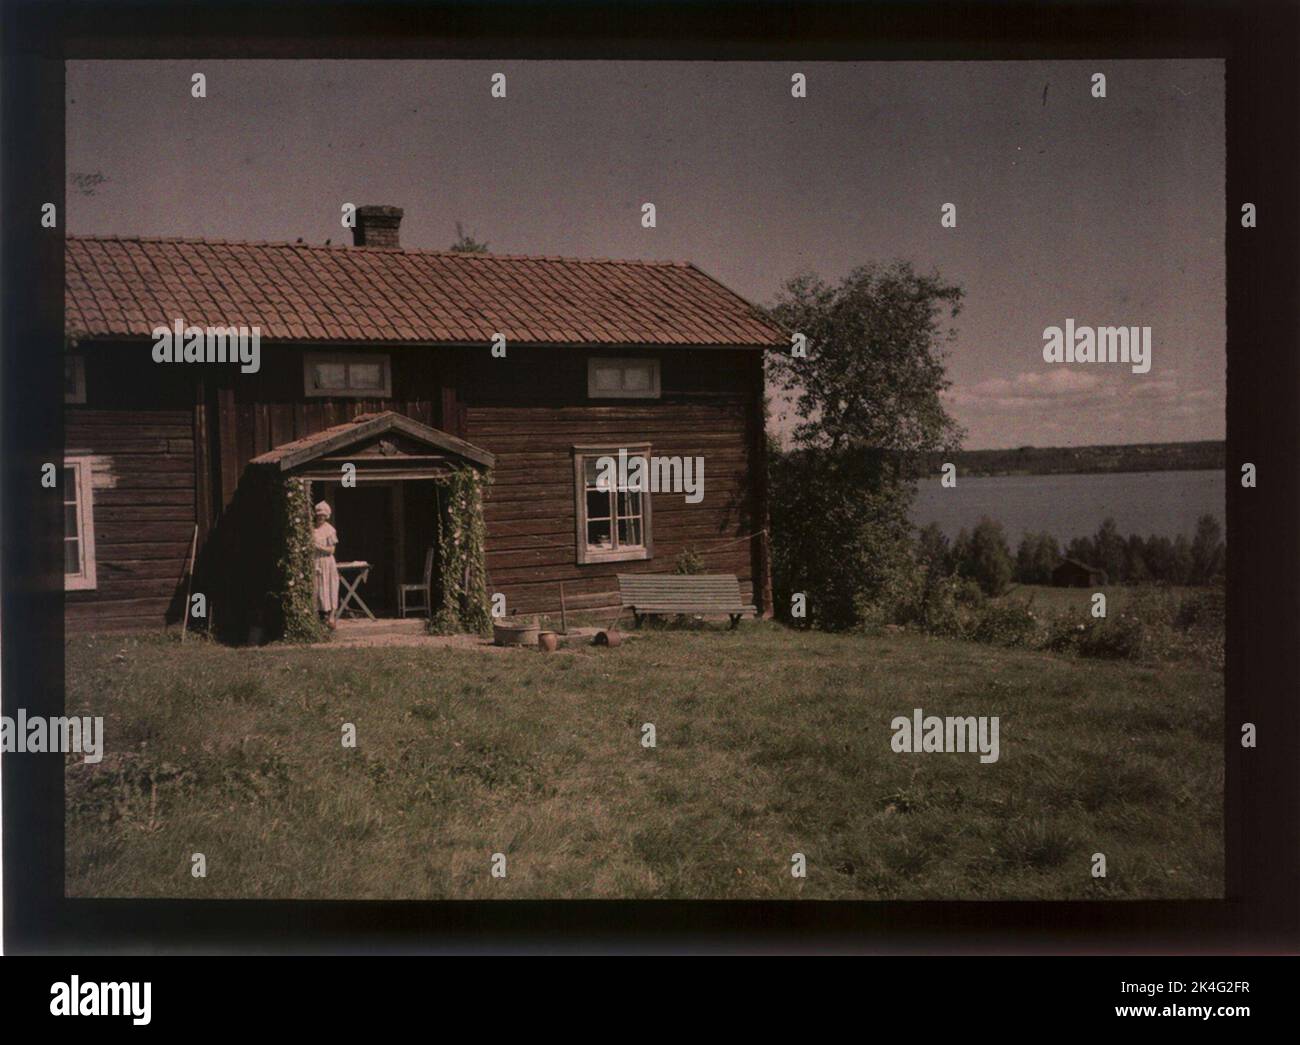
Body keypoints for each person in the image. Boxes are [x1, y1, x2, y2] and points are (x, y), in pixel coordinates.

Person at [313, 501, 340, 630]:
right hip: (316, 561)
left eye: (323, 515)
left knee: (330, 587)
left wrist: (318, 546)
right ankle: (319, 617)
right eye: (318, 515)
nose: (320, 517)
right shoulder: (312, 529)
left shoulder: (329, 530)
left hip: (327, 561)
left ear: (326, 516)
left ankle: (331, 616)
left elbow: (331, 550)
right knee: (318, 588)